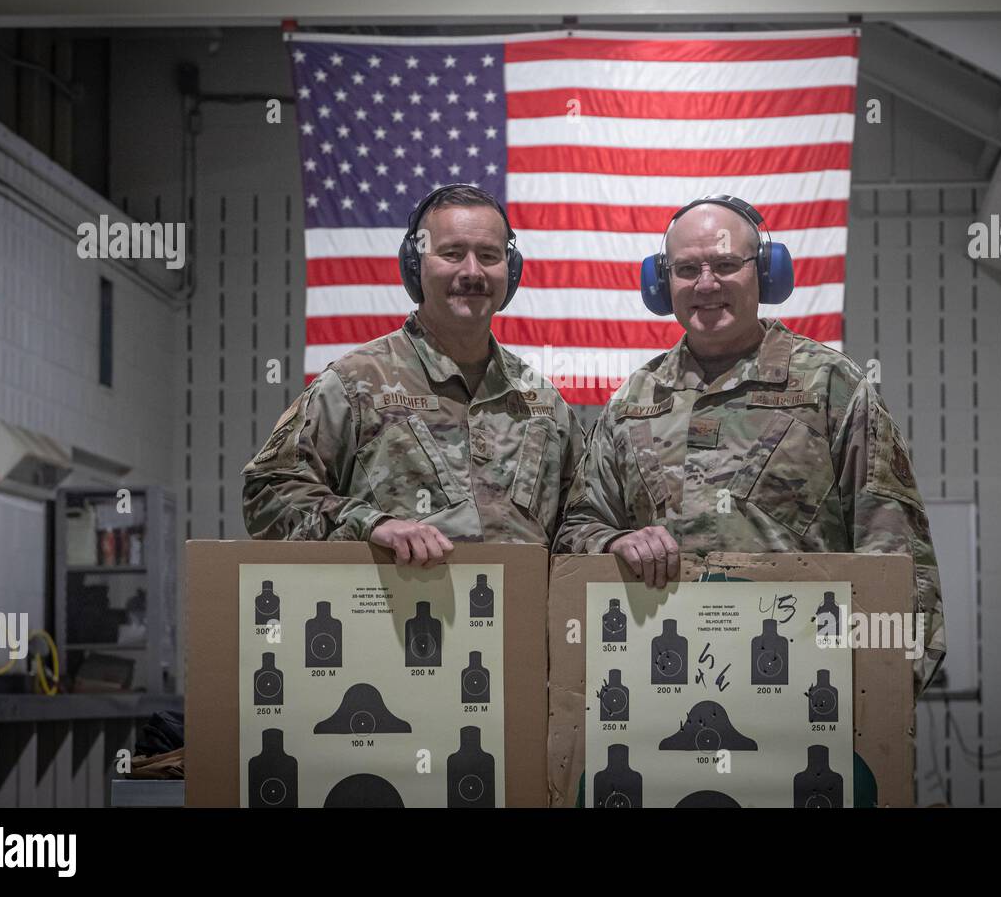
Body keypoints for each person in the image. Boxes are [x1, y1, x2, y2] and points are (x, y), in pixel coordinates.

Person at [555, 195, 945, 693]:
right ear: (661, 283)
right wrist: (613, 541)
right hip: (660, 691)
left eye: (725, 264)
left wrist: (885, 696)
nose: (706, 284)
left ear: (765, 273)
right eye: (687, 268)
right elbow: (576, 529)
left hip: (806, 690)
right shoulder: (632, 402)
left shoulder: (830, 386)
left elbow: (896, 552)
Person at [243, 184, 583, 566]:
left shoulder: (542, 403)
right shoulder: (355, 384)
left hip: (521, 622)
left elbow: (582, 521)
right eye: (452, 254)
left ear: (511, 271)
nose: (472, 272)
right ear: (414, 266)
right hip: (396, 621)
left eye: (489, 256)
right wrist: (369, 525)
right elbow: (266, 494)